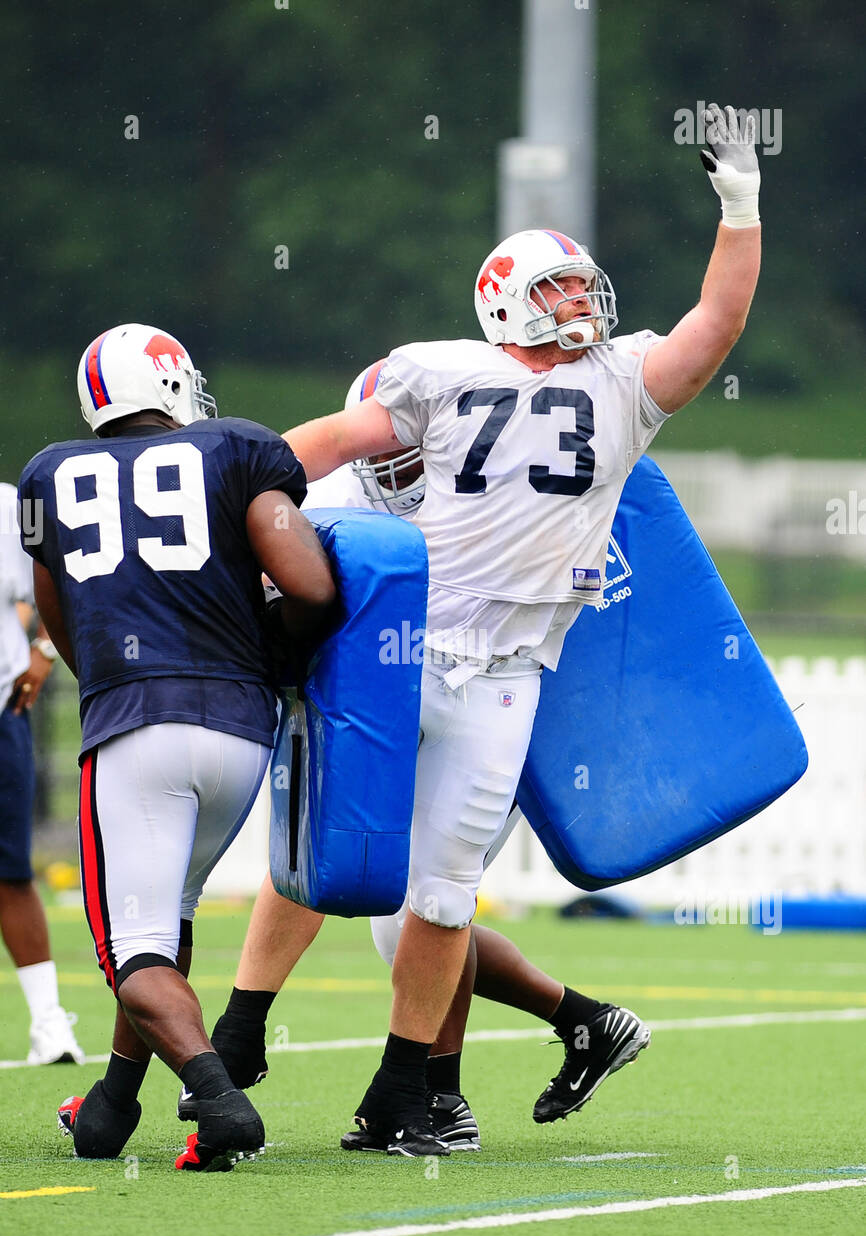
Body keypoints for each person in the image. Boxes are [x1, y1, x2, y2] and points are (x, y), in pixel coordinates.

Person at [196, 102, 763, 1157]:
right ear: (503, 300)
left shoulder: (621, 384)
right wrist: (214, 481)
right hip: (396, 655)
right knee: (331, 847)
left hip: (508, 670)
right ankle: (245, 1032)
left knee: (442, 889)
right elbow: (327, 440)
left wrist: (739, 205)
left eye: (579, 282)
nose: (575, 299)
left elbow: (712, 326)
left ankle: (408, 1091)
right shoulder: (441, 370)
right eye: (551, 285)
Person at [19, 322, 335, 1170]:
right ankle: (111, 1109)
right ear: (169, 384)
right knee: (167, 922)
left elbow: (63, 619)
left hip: (136, 726)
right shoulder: (237, 450)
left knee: (136, 950)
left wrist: (113, 686)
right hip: (241, 730)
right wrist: (284, 650)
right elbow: (308, 583)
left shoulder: (47, 475)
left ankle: (220, 1100)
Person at [0, 483, 85, 1066]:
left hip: (1, 708)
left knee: (11, 871)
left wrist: (44, 648)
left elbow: (60, 575)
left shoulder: (9, 505)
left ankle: (48, 1022)